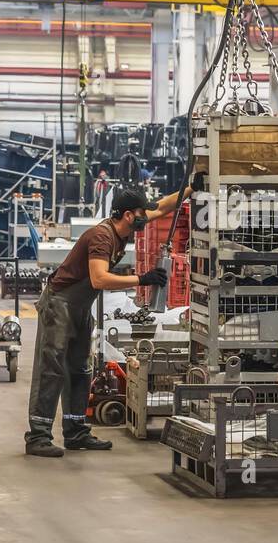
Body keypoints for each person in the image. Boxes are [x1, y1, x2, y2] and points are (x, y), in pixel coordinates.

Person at [25, 186, 186, 457]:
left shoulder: (122, 228)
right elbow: (99, 279)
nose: (144, 217)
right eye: (139, 213)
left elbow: (161, 207)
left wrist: (192, 185)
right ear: (127, 215)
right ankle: (37, 437)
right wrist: (141, 279)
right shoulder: (102, 236)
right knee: (52, 368)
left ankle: (76, 432)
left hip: (79, 306)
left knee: (80, 369)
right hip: (59, 304)